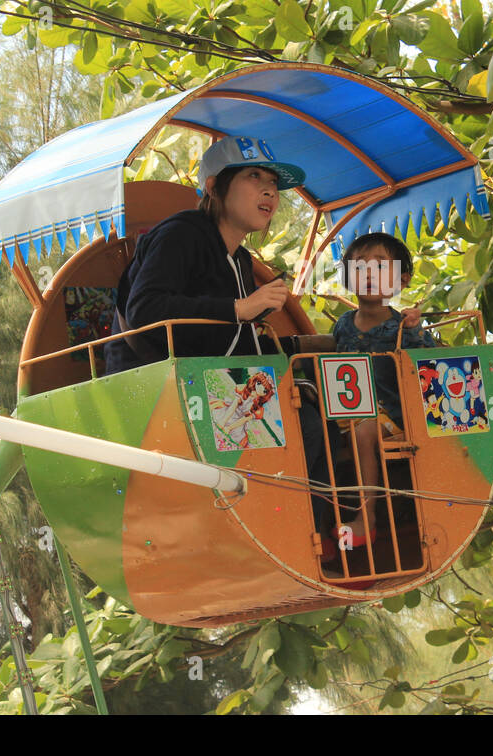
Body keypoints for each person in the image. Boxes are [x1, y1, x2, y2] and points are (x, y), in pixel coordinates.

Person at [106, 136, 340, 541]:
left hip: (215, 386)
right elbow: (145, 311)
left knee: (328, 411)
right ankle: (302, 537)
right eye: (254, 177)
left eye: (273, 183)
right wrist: (237, 309)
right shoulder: (181, 234)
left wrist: (307, 347)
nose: (270, 191)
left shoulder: (242, 260)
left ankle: (323, 533)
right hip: (156, 388)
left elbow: (236, 344)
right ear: (214, 187)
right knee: (305, 423)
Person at [330, 232, 437, 547]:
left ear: (401, 280)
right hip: (346, 413)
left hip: (392, 416)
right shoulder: (343, 324)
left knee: (365, 430)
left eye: (379, 267)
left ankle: (367, 518)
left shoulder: (403, 327)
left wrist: (416, 329)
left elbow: (426, 361)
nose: (368, 275)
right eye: (359, 267)